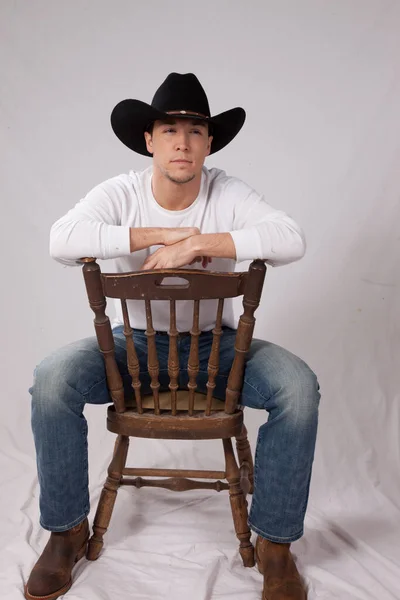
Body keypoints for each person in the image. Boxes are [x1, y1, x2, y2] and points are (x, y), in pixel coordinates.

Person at [25, 73, 320, 600]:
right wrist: (164, 234)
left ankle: (275, 542)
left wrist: (199, 243)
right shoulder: (121, 191)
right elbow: (61, 239)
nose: (182, 142)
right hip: (134, 345)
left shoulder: (226, 189)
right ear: (149, 140)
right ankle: (66, 530)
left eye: (194, 131)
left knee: (298, 388)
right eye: (169, 129)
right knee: (51, 380)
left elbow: (291, 237)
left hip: (216, 347)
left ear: (210, 142)